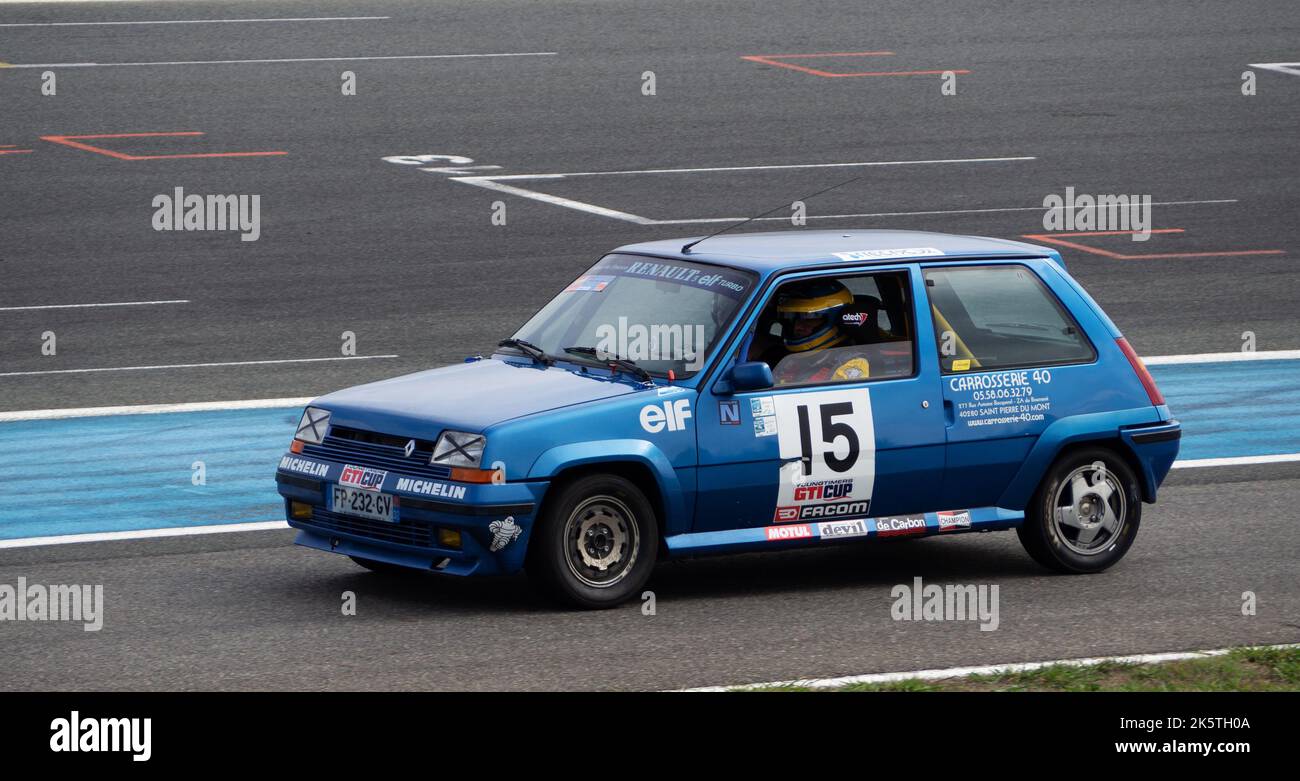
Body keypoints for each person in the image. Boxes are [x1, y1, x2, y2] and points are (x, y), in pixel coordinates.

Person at [772, 280, 872, 384]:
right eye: (794, 319)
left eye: (809, 318)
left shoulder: (853, 364)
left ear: (835, 320)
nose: (798, 327)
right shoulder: (790, 361)